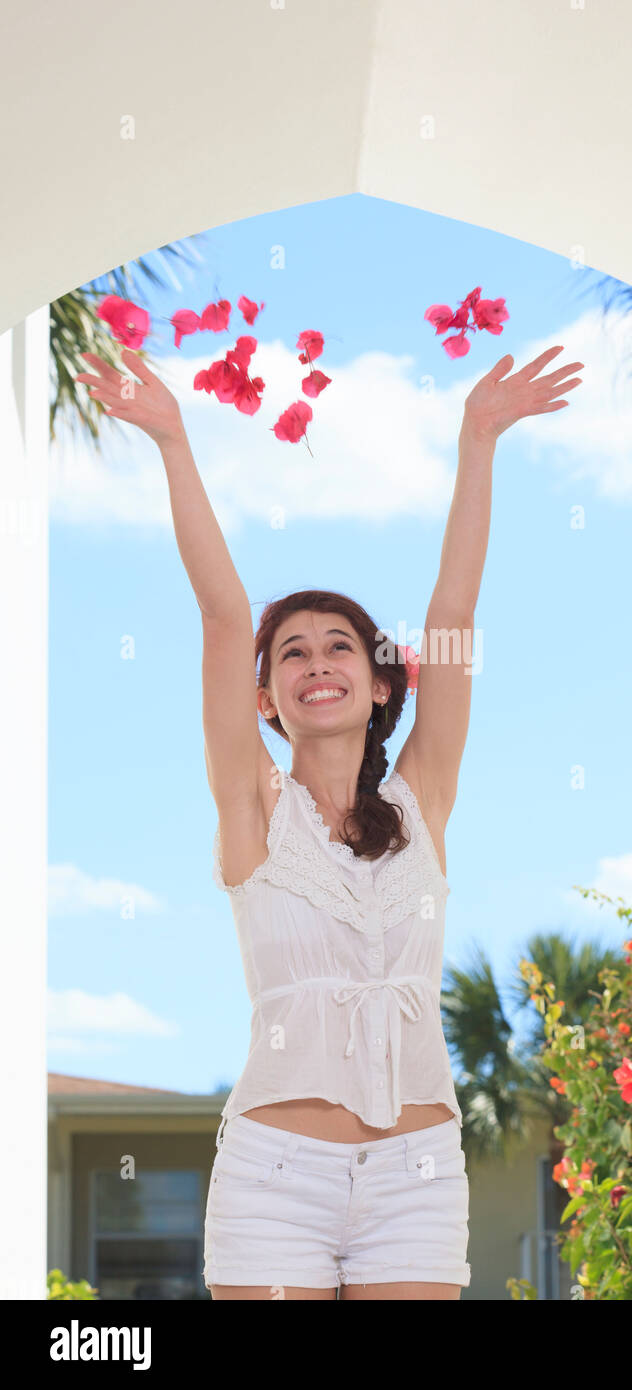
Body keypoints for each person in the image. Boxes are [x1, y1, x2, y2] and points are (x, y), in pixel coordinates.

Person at [74, 339, 584, 1301]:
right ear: (265, 699)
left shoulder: (421, 799)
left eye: (338, 645)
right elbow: (225, 618)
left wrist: (478, 439)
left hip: (419, 1176)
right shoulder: (252, 808)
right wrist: (173, 441)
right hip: (277, 1179)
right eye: (292, 654)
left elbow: (454, 615)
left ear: (382, 681)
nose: (314, 662)